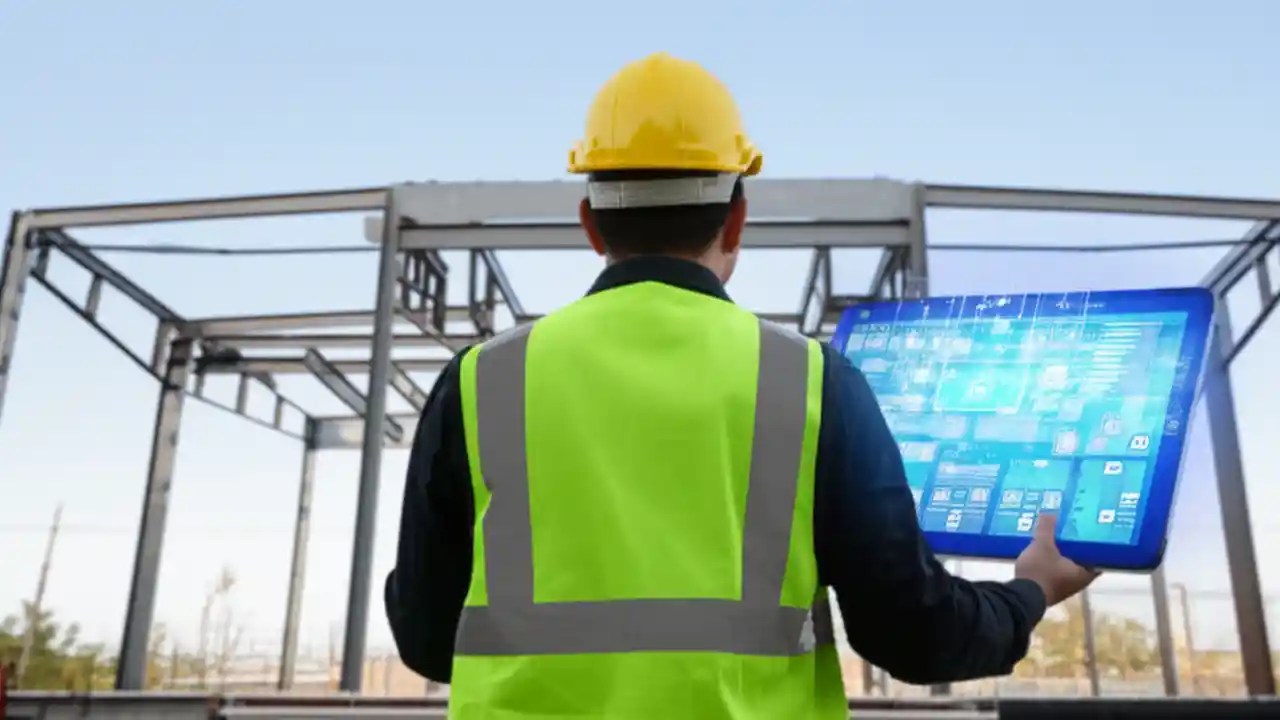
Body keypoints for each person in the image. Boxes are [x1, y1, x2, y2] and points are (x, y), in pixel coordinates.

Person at [385, 52, 1098, 719]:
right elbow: (914, 634)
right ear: (737, 218)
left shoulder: (481, 381)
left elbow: (424, 638)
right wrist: (1029, 592)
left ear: (590, 225)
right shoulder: (815, 381)